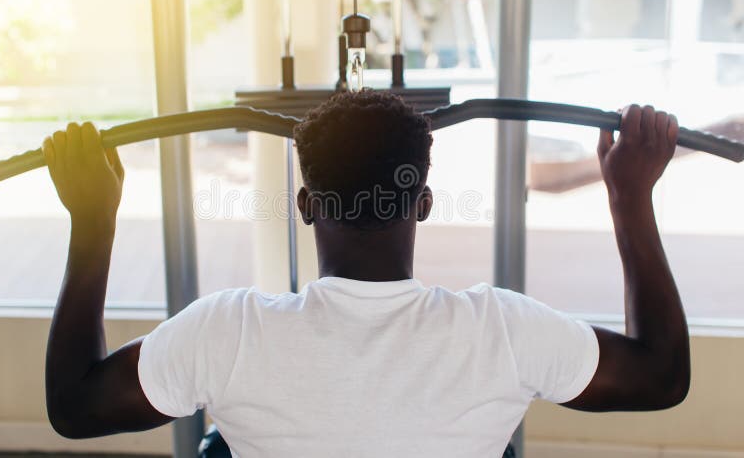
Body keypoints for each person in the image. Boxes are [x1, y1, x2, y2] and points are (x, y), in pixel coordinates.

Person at [41, 91, 689, 457]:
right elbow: (662, 376)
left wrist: (92, 219)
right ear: (423, 204)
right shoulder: (505, 330)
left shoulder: (225, 331)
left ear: (305, 207)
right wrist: (630, 196)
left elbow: (74, 406)